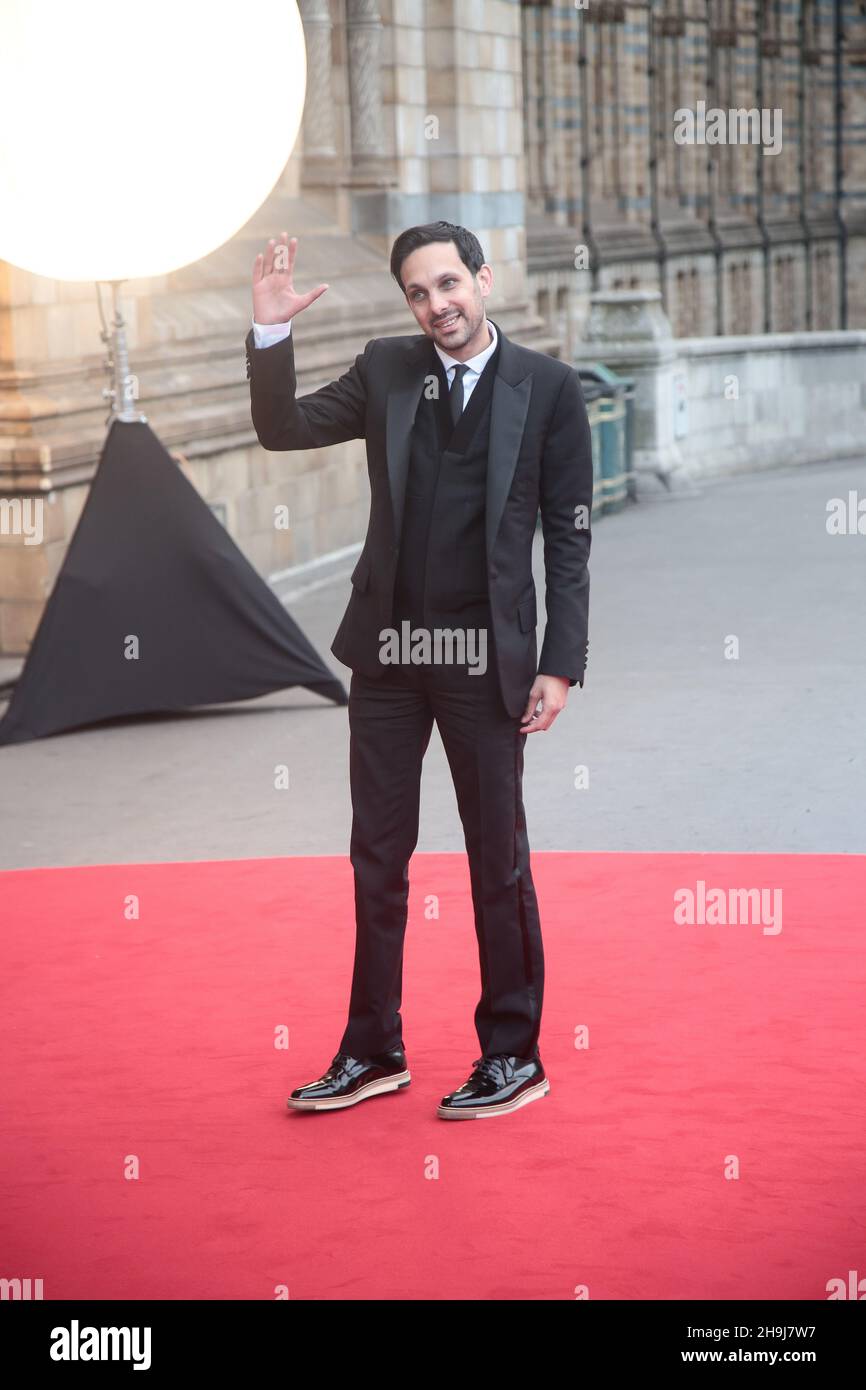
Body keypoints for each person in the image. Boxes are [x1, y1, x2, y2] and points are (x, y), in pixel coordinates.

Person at [245, 222, 592, 1120]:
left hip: (486, 662)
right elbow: (281, 428)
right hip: (392, 657)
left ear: (483, 280)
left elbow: (569, 539)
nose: (436, 305)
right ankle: (373, 1048)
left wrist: (561, 664)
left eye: (449, 284)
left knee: (496, 862)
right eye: (418, 293)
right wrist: (271, 330)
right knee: (377, 856)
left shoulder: (548, 389)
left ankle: (513, 1054)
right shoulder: (388, 369)